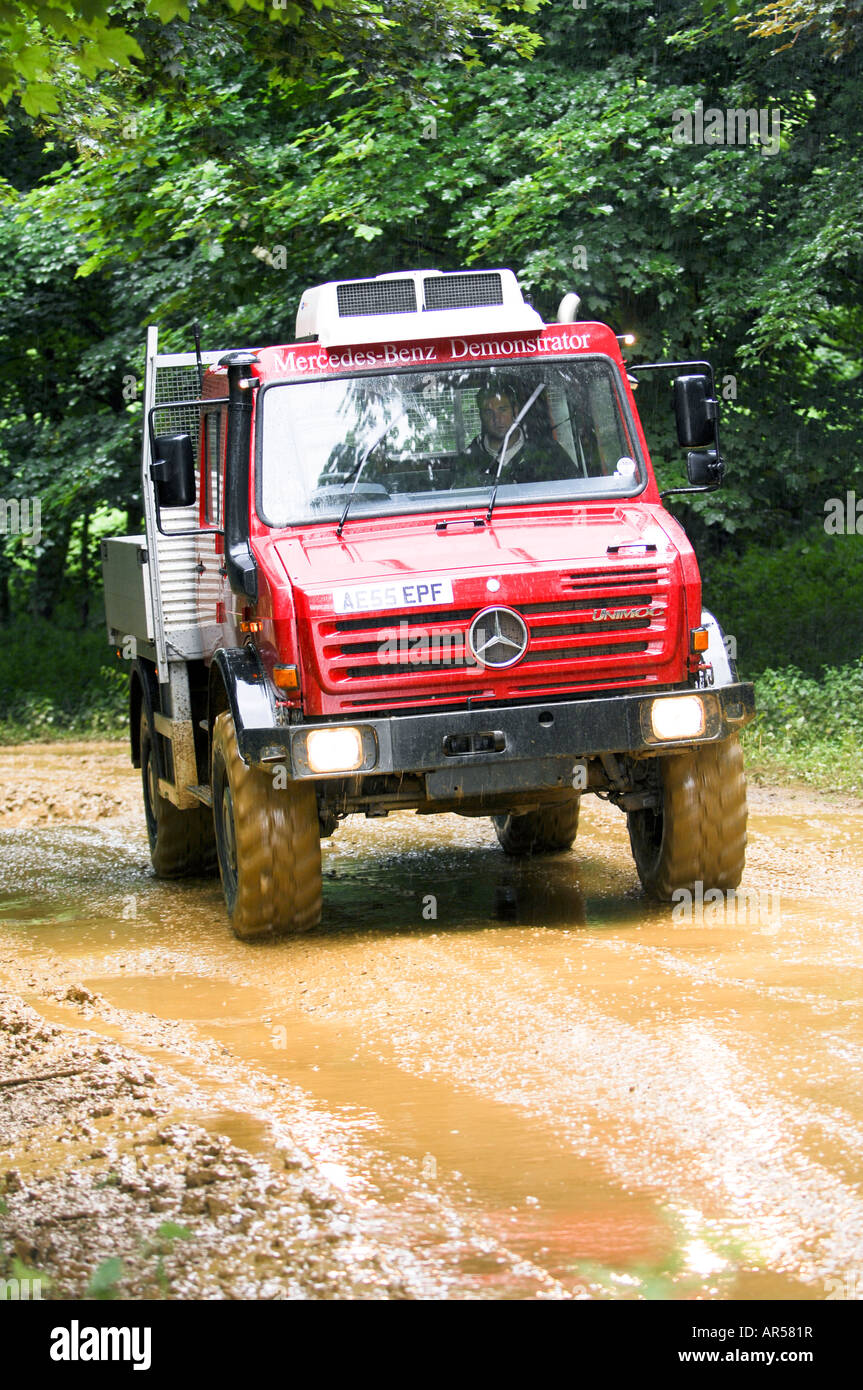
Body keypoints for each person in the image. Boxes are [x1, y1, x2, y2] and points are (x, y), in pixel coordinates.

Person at [450, 382, 576, 488]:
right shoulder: (468, 461)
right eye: (489, 412)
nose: (497, 419)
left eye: (502, 410)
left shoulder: (548, 452)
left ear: (515, 410)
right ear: (480, 416)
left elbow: (576, 492)